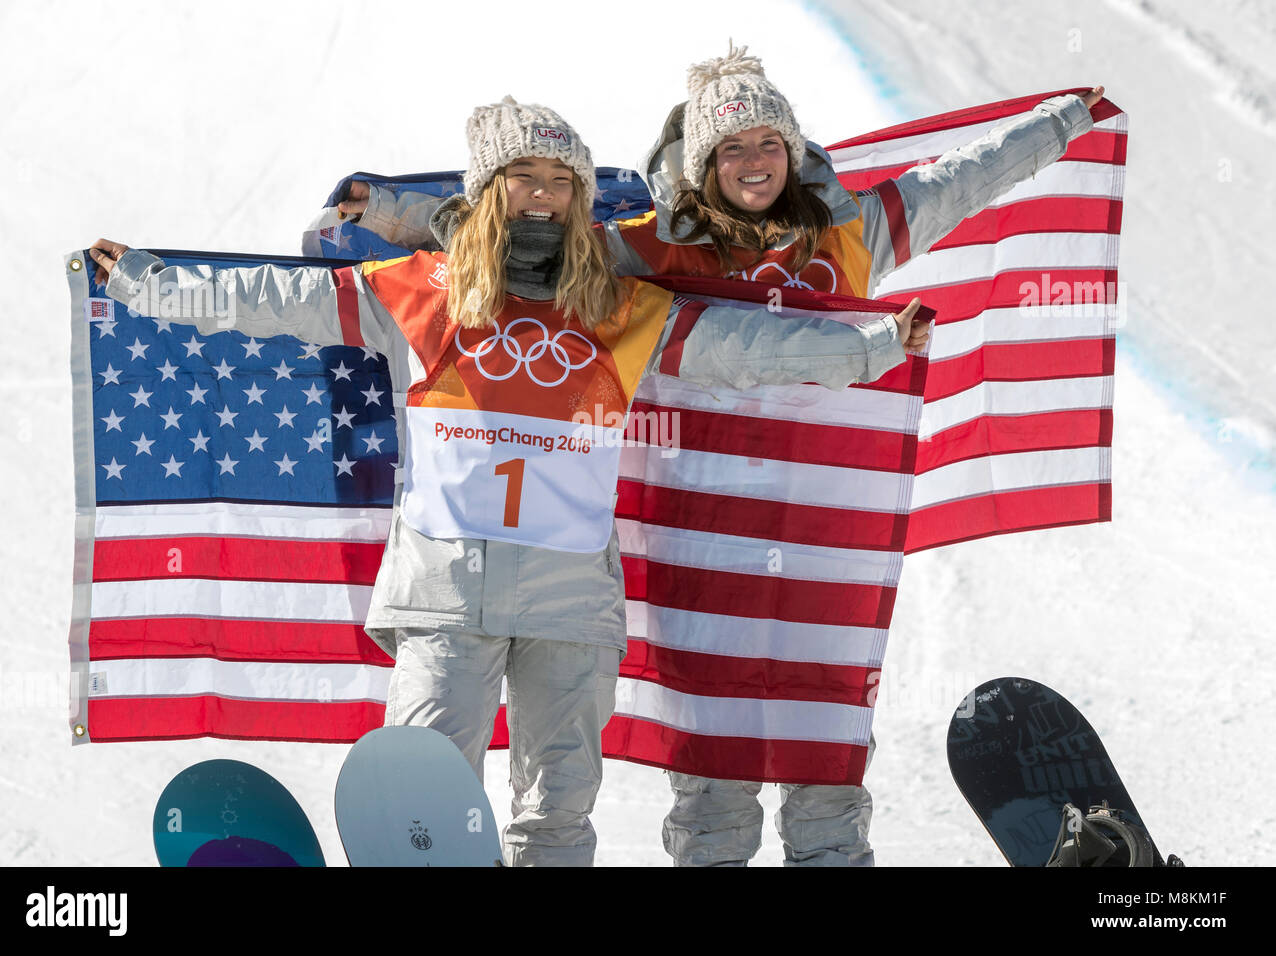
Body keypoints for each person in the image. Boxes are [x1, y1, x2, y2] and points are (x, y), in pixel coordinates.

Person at [88, 96, 928, 867]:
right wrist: (149, 284)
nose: (545, 194)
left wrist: (875, 344)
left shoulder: (620, 304)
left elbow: (750, 351)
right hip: (445, 600)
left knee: (555, 815)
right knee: (419, 803)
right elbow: (279, 298)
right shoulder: (425, 289)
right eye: (525, 175)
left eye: (563, 179)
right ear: (490, 186)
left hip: (568, 607)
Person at [341, 49, 1105, 867]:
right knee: (710, 743)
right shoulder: (649, 250)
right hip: (699, 521)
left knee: (825, 725)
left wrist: (1061, 121)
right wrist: (391, 213)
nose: (752, 162)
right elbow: (519, 229)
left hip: (822, 526)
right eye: (731, 148)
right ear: (703, 161)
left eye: (767, 143)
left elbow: (961, 179)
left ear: (793, 149)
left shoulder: (853, 231)